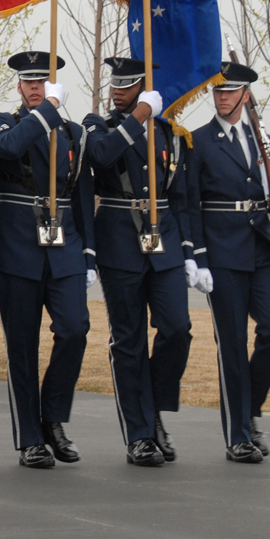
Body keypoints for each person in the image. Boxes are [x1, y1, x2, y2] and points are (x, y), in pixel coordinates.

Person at [0, 52, 96, 469]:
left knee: (74, 329)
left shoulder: (72, 133)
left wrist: (88, 253)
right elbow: (7, 149)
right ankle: (29, 436)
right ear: (19, 87)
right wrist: (47, 110)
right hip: (17, 243)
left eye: (43, 82)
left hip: (64, 244)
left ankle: (53, 417)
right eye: (29, 82)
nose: (36, 88)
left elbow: (81, 194)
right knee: (22, 344)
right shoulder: (4, 122)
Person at [82, 57, 194, 467]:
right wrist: (139, 114)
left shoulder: (169, 134)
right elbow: (101, 156)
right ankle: (140, 433)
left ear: (145, 86)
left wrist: (190, 252)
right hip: (119, 243)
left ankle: (155, 409)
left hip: (163, 242)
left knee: (178, 329)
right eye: (116, 85)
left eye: (128, 86)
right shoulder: (99, 125)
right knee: (128, 341)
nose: (117, 91)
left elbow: (180, 197)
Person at [187, 62, 270, 462]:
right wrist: (198, 257)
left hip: (262, 246)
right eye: (218, 91)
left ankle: (248, 408)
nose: (223, 97)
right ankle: (237, 436)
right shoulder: (198, 141)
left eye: (231, 91)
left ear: (246, 95)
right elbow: (191, 205)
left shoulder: (263, 139)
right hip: (221, 250)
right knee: (231, 345)